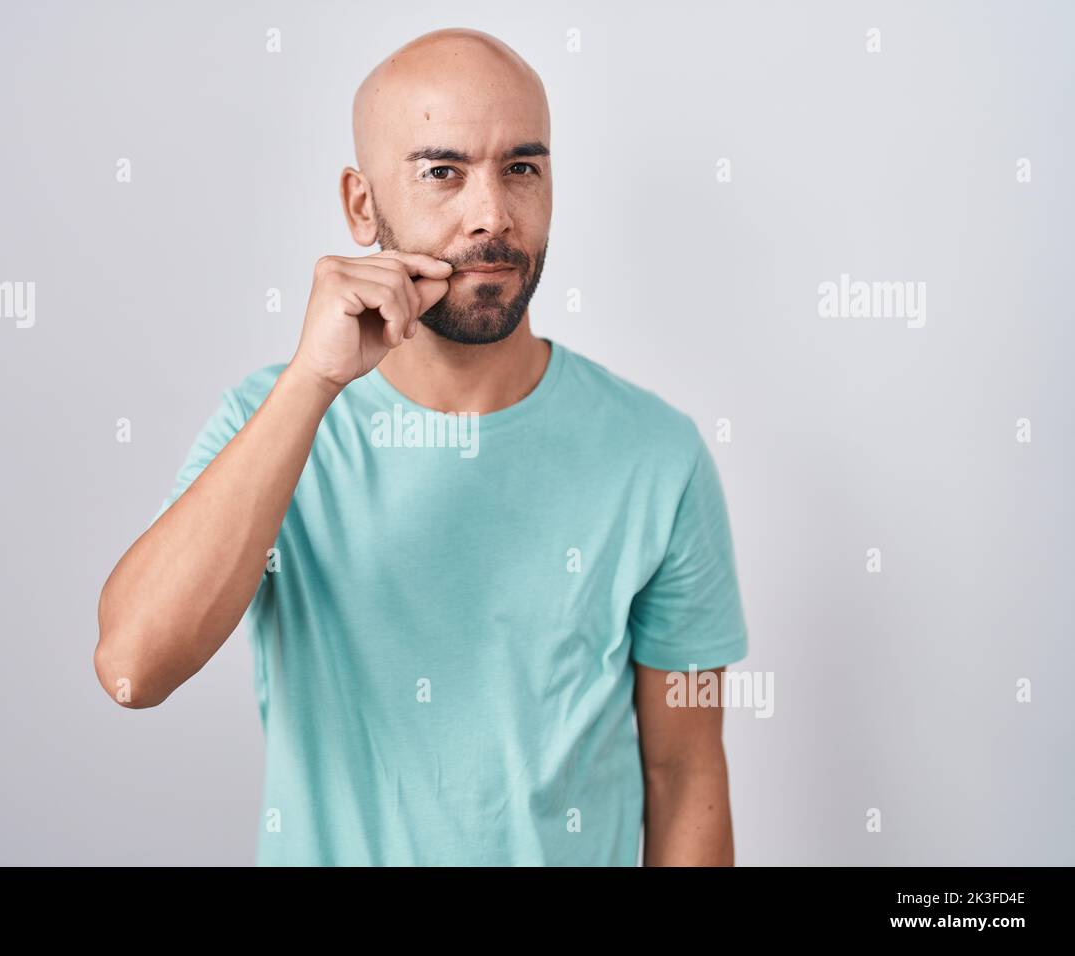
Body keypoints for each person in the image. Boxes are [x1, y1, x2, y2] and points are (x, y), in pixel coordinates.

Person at [95, 27, 749, 866]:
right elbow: (132, 668)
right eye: (443, 171)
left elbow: (685, 770)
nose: (493, 217)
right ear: (363, 206)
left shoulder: (659, 455)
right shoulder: (271, 422)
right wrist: (311, 385)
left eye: (522, 168)